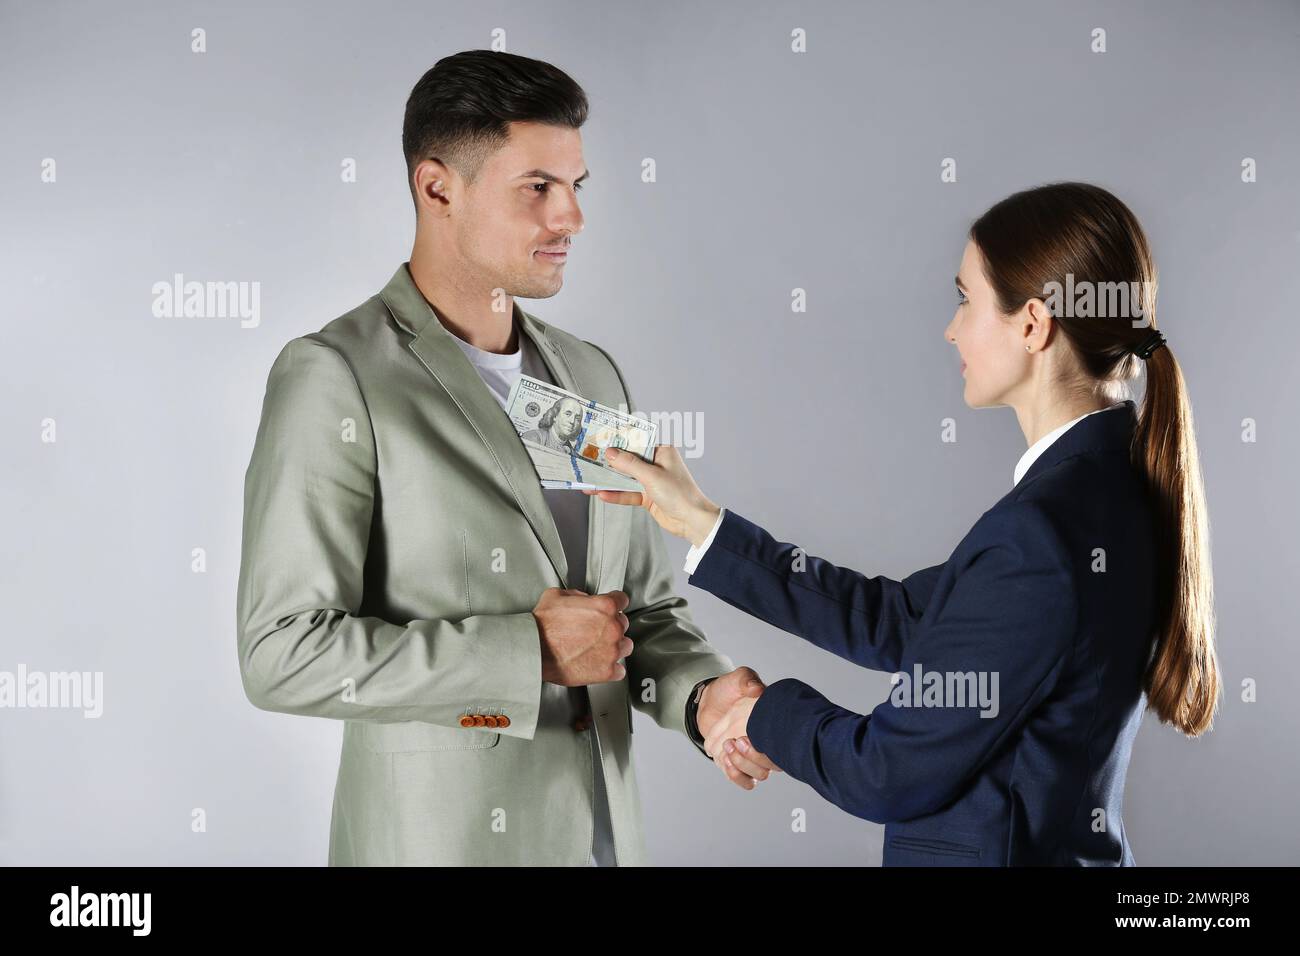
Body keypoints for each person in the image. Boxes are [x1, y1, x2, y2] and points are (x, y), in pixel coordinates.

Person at [236, 50, 766, 867]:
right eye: (538, 189)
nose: (572, 219)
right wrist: (526, 654)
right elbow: (283, 654)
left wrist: (705, 697)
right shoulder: (334, 375)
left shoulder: (594, 374)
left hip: (603, 845)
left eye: (576, 188)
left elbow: (646, 615)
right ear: (438, 187)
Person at [594, 182, 1220, 865]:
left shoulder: (1043, 533)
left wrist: (761, 713)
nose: (952, 328)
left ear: (1033, 324)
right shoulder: (1109, 492)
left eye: (965, 300)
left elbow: (887, 770)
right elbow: (900, 619)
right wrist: (702, 523)